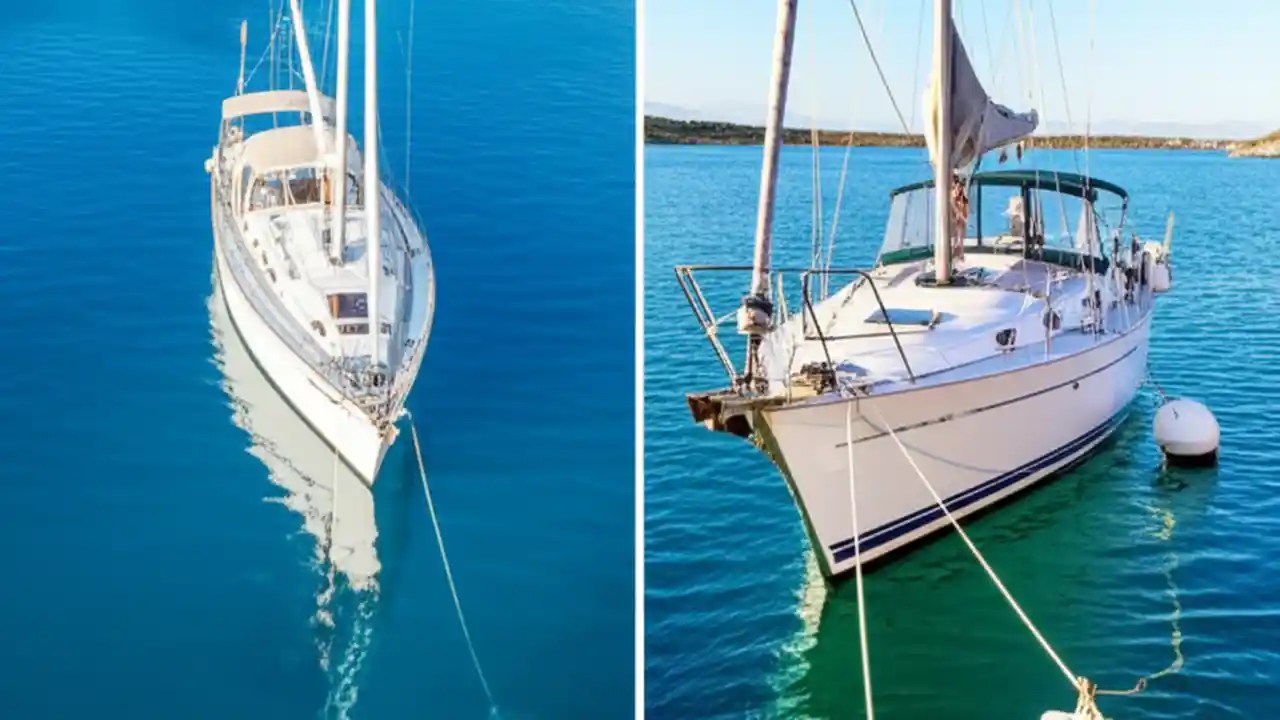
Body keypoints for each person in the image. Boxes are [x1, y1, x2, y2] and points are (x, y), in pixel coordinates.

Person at [950, 172, 968, 261]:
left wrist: (962, 216)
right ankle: (956, 252)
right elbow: (953, 204)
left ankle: (960, 253)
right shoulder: (954, 193)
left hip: (959, 216)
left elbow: (963, 205)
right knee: (956, 235)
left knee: (959, 235)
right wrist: (960, 215)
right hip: (956, 216)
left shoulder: (961, 194)